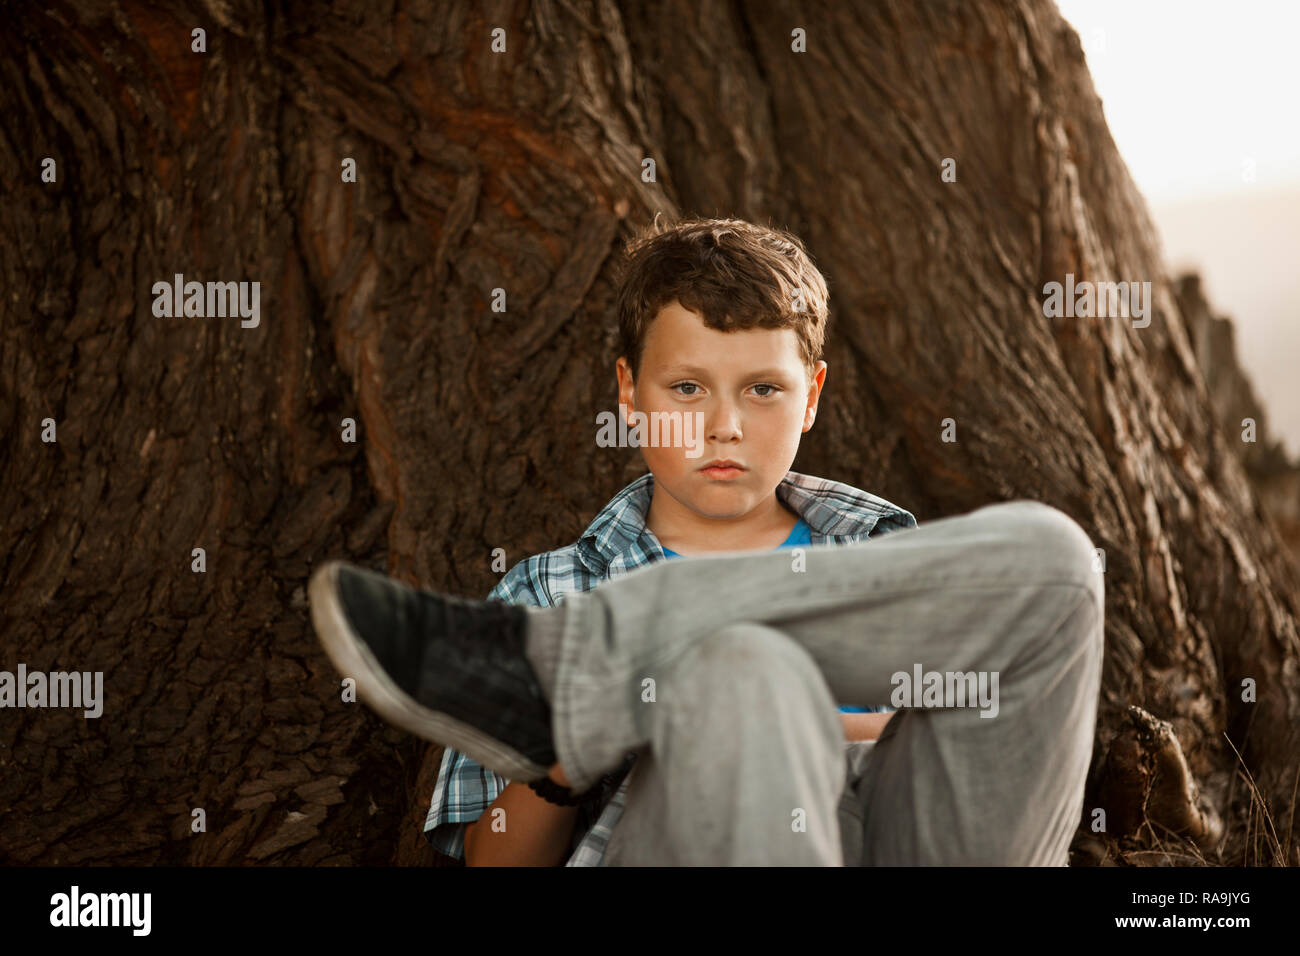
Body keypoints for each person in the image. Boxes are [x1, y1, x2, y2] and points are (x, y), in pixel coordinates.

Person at [307, 217, 1104, 865]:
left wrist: (655, 708)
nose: (724, 425)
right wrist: (579, 761)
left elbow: (973, 743)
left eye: (763, 390)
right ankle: (621, 679)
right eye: (687, 389)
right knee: (744, 670)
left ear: (813, 395)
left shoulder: (879, 553)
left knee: (1059, 564)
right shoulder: (551, 591)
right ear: (629, 392)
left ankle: (608, 667)